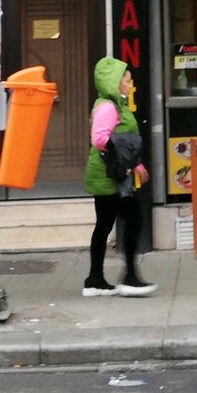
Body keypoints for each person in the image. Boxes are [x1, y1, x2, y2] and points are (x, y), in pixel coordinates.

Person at [82, 56, 156, 298]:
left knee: (105, 225)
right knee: (131, 219)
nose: (130, 84)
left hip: (113, 173)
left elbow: (125, 140)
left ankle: (95, 280)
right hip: (108, 175)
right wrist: (127, 162)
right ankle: (128, 277)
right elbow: (100, 139)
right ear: (114, 83)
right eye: (126, 80)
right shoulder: (108, 107)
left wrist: (137, 165)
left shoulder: (117, 105)